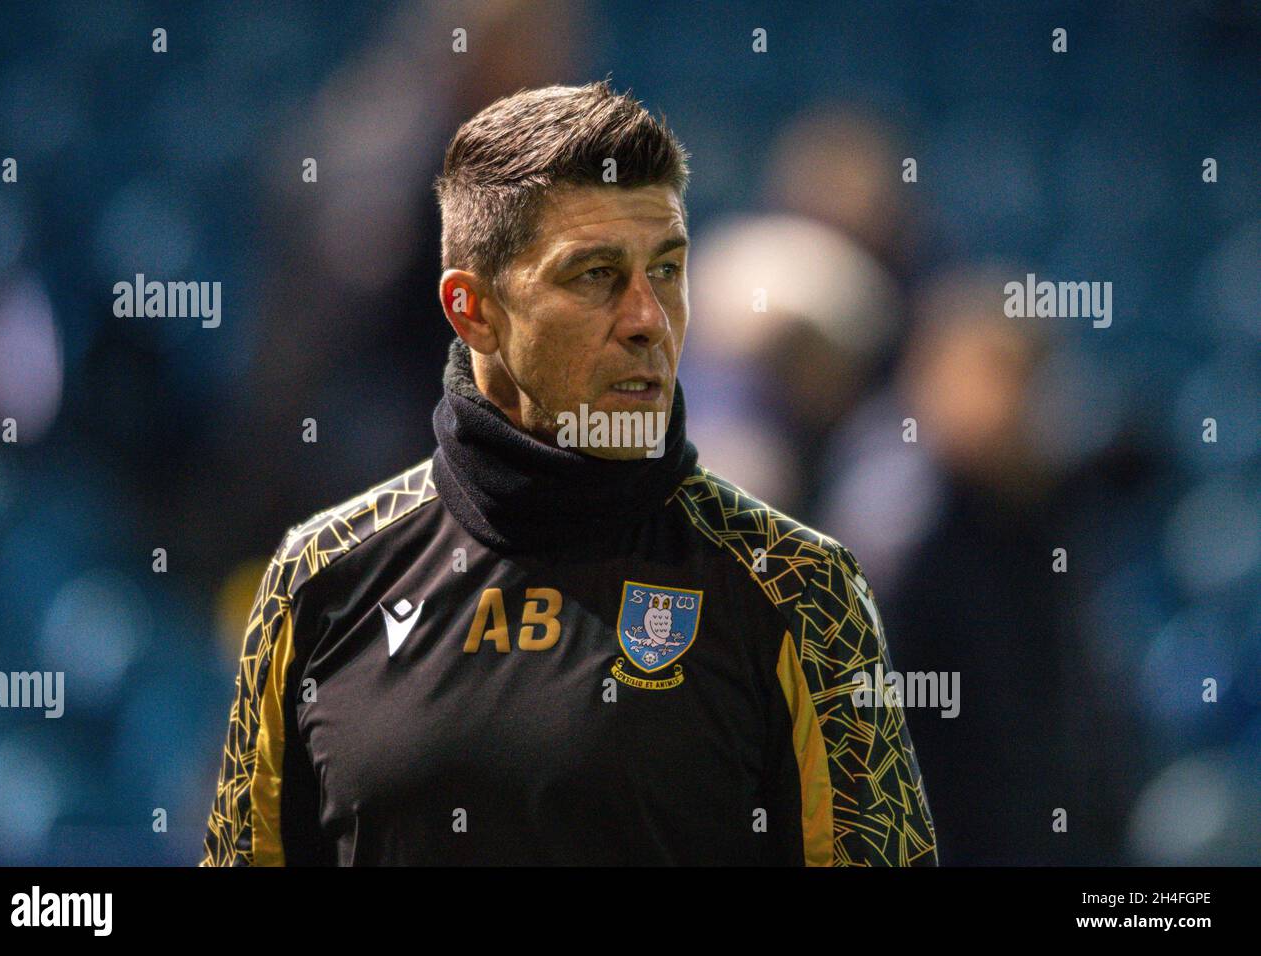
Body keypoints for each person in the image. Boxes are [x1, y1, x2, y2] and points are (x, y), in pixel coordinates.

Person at [199, 79, 937, 866]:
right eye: (594, 276)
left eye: (667, 269)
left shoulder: (802, 590)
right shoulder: (319, 580)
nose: (649, 319)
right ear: (471, 309)